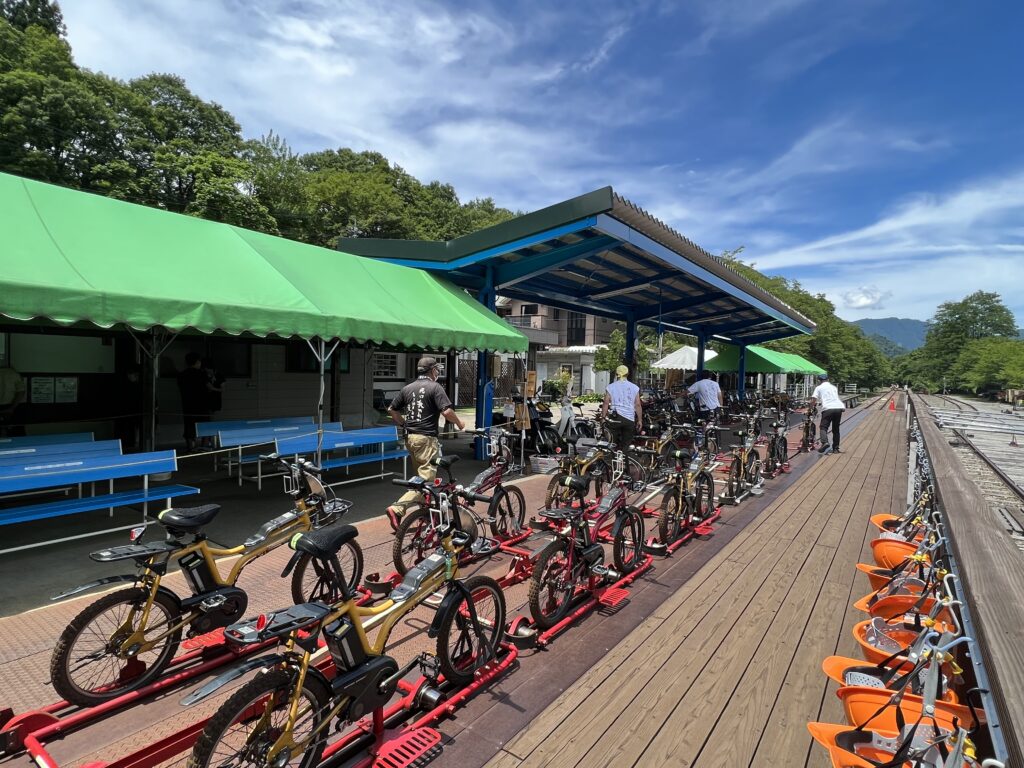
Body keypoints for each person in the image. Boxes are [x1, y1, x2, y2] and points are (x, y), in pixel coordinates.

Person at [386, 356, 464, 530]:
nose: (438, 372)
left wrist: (403, 423)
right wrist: (459, 424)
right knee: (425, 481)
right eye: (437, 369)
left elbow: (391, 409)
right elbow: (447, 411)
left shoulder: (407, 388)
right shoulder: (435, 387)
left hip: (410, 438)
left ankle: (426, 513)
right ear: (432, 370)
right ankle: (397, 508)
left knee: (420, 479)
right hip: (426, 439)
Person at [601, 364, 642, 463]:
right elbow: (637, 405)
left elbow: (606, 402)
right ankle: (624, 465)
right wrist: (640, 420)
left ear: (616, 374)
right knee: (626, 445)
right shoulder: (634, 387)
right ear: (627, 374)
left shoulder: (611, 387)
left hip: (615, 418)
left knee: (611, 443)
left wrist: (603, 417)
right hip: (629, 419)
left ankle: (609, 466)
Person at [177, 352, 212, 452]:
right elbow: (208, 387)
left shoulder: (181, 375)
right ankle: (204, 446)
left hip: (188, 404)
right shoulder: (202, 373)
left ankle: (190, 446)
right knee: (204, 425)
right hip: (202, 404)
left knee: (189, 425)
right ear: (197, 362)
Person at [810, 372, 845, 454]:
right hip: (838, 408)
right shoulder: (833, 387)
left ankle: (825, 442)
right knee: (836, 429)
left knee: (823, 427)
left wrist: (810, 408)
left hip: (828, 408)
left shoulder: (819, 388)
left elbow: (813, 400)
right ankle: (836, 448)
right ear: (828, 379)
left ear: (819, 380)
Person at [0, 362, 27, 437]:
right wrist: (12, 407)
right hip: (13, 406)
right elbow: (21, 391)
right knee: (17, 432)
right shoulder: (14, 374)